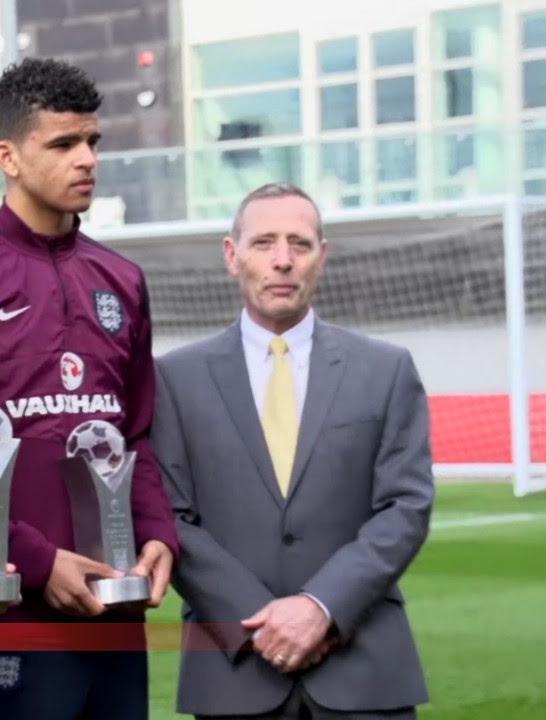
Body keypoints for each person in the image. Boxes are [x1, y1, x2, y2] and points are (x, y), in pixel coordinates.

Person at [0, 58, 179, 720]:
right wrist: (36, 560)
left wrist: (159, 534)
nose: (86, 159)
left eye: (92, 142)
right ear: (9, 156)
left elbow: (134, 429)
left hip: (115, 618)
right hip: (11, 618)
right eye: (62, 144)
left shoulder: (123, 280)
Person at [151, 182, 434, 719]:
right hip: (234, 672)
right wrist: (261, 619)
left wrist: (321, 607)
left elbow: (406, 507)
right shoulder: (174, 379)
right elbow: (170, 517)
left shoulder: (385, 369)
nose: (282, 260)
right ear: (232, 256)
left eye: (299, 244)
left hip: (364, 670)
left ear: (322, 257)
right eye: (263, 243)